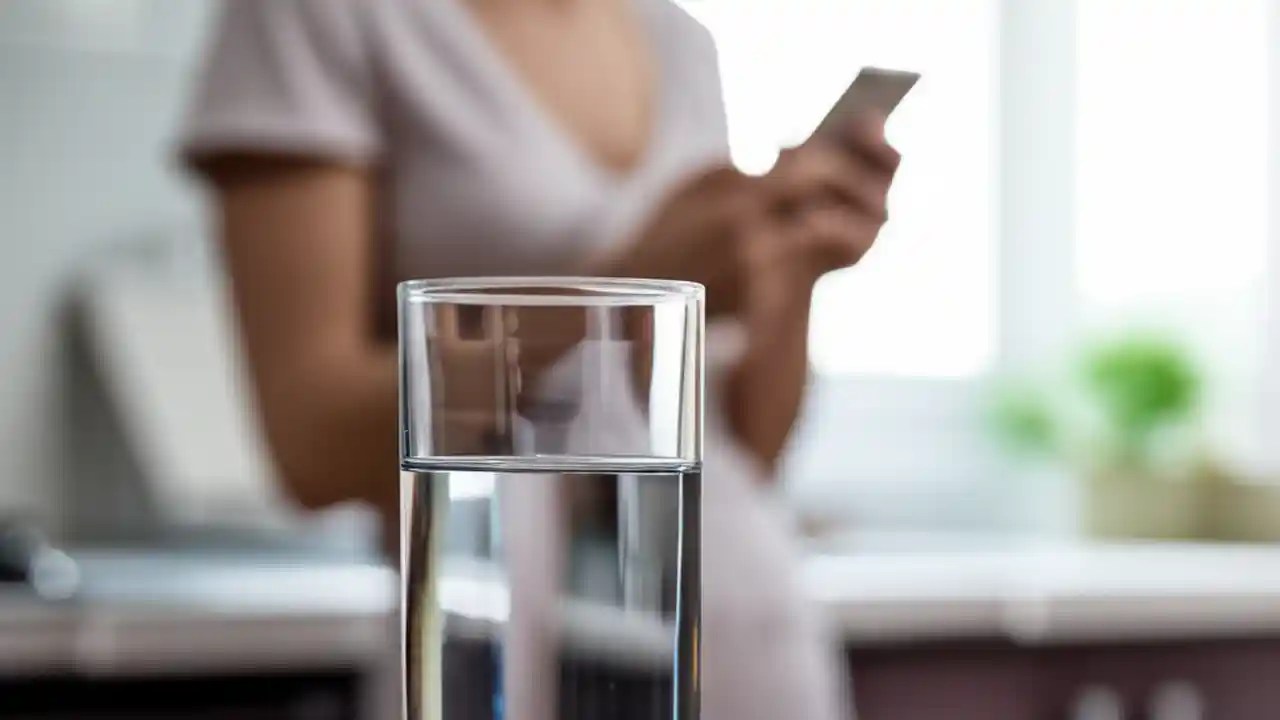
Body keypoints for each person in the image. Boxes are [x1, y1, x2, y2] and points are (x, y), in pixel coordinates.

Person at [182, 1, 899, 718]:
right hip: (494, 651)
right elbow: (313, 445)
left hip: (753, 650)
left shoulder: (678, 40)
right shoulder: (322, 16)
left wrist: (791, 271)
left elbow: (746, 449)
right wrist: (629, 281)